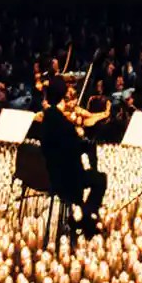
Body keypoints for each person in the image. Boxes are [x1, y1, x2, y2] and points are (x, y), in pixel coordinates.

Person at [39, 76, 107, 236]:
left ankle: (84, 215)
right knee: (100, 179)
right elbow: (74, 149)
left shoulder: (47, 120)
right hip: (68, 180)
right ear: (62, 96)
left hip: (52, 174)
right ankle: (87, 218)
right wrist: (81, 137)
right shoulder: (63, 125)